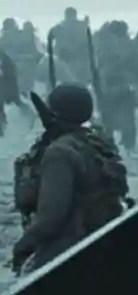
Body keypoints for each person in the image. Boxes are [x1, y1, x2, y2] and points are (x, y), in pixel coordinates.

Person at [11, 83, 131, 275]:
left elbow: (50, 218)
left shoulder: (59, 152)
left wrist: (23, 247)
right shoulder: (98, 141)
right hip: (103, 238)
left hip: (72, 248)